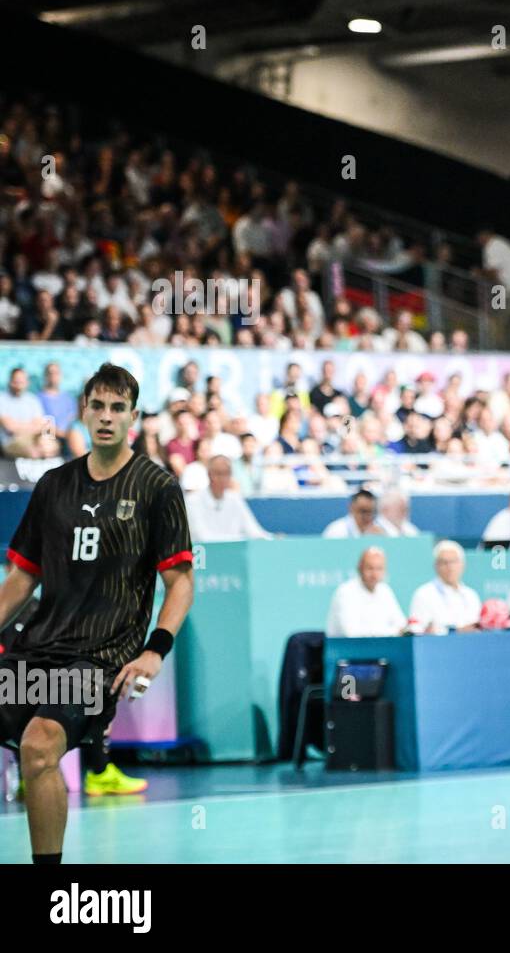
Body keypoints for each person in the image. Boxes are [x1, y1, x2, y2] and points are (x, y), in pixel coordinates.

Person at [0, 363, 194, 863]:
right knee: (33, 753)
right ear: (83, 410)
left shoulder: (157, 487)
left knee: (40, 746)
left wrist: (156, 649)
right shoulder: (53, 486)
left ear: (133, 416)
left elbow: (180, 582)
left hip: (98, 657)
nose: (106, 416)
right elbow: (22, 579)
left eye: (117, 408)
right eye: (97, 406)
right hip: (37, 648)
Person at [184, 455, 272, 542]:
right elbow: (202, 537)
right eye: (218, 473)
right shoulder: (193, 501)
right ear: (209, 474)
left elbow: (254, 531)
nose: (223, 478)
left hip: (234, 553)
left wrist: (273, 538)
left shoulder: (235, 499)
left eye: (227, 473)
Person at [324, 547, 408, 638]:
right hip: (346, 649)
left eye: (379, 569)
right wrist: (392, 631)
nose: (374, 574)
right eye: (370, 568)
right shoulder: (346, 592)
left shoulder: (385, 590)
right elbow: (351, 633)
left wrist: (395, 631)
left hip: (379, 648)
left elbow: (402, 626)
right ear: (359, 568)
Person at [408, 540, 483, 634]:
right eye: (444, 562)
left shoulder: (471, 595)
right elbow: (416, 630)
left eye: (454, 562)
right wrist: (456, 631)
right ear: (436, 566)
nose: (450, 567)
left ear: (463, 565)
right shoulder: (423, 594)